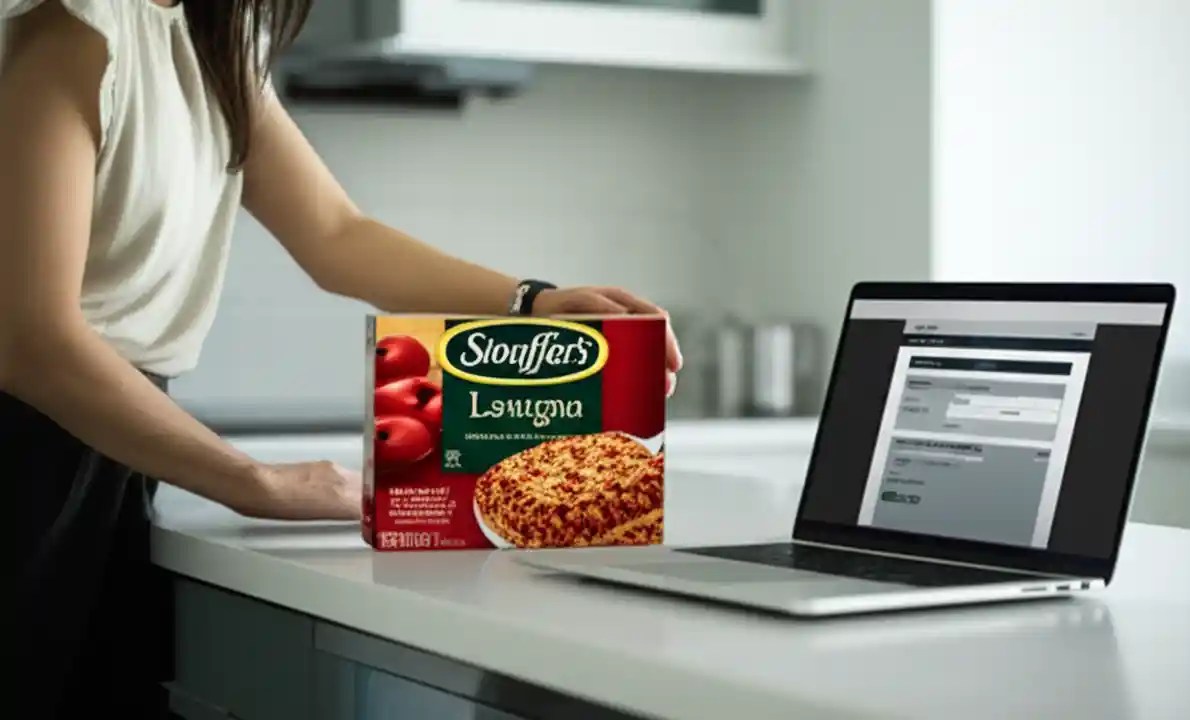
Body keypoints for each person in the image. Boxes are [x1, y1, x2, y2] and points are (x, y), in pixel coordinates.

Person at [0, 0, 682, 716]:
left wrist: (535, 303)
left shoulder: (211, 40)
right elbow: (32, 341)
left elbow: (334, 234)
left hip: (112, 455)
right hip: (30, 458)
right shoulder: (73, 30)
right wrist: (255, 481)